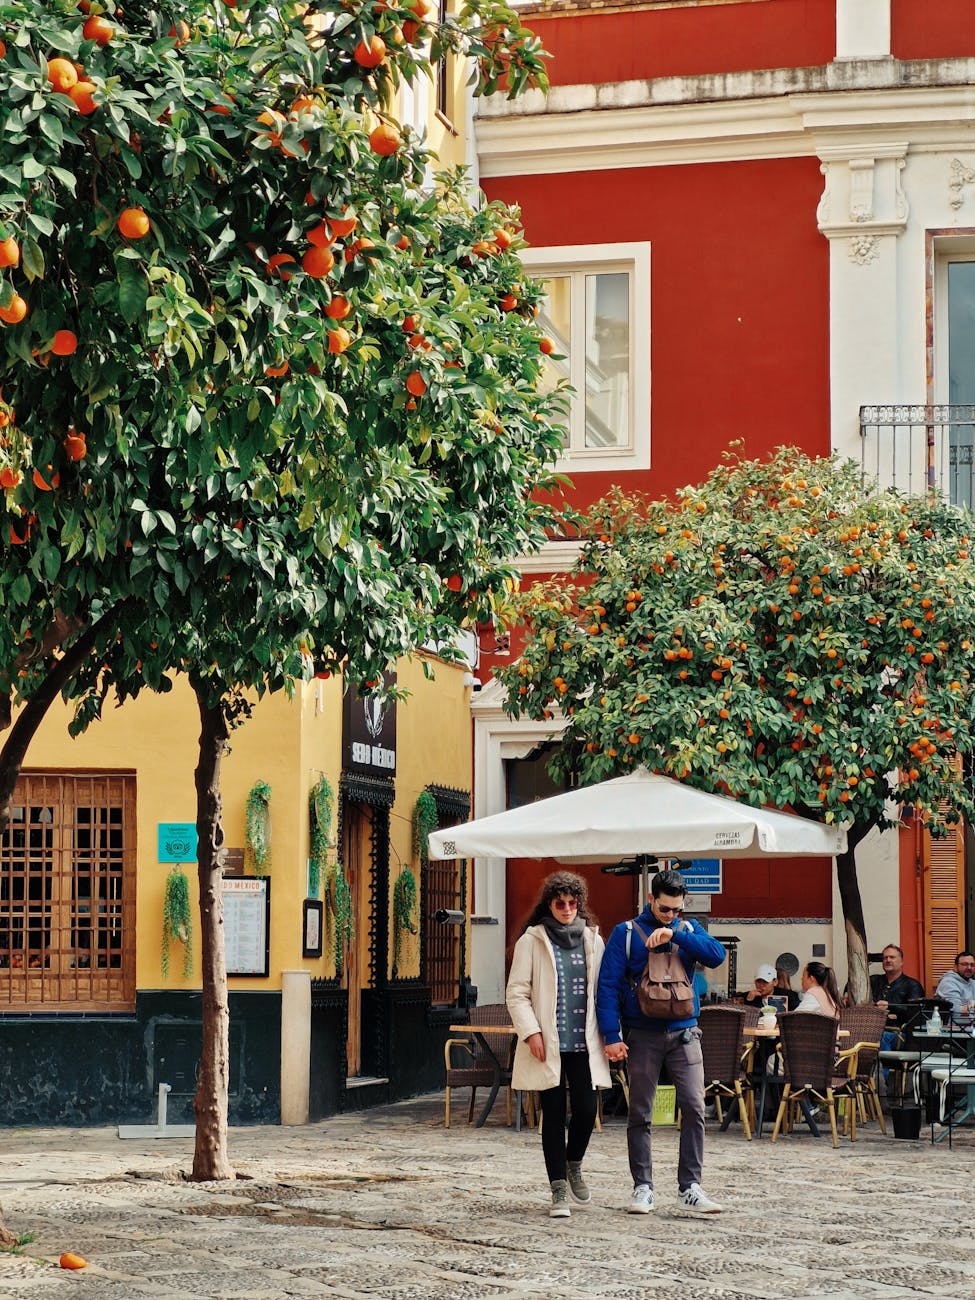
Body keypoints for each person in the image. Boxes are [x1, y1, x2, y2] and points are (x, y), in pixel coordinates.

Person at [596, 868, 726, 1216]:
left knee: (695, 1107)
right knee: (640, 1112)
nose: (670, 914)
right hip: (642, 1033)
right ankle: (643, 1187)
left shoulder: (687, 929)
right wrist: (612, 1035)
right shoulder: (625, 933)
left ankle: (691, 1187)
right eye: (665, 908)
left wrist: (677, 934)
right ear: (651, 899)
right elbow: (606, 986)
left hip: (685, 1031)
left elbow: (716, 955)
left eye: (677, 909)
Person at [506, 871, 612, 1219]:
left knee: (585, 1110)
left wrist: (613, 1035)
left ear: (579, 903)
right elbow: (517, 992)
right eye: (559, 903)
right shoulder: (532, 941)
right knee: (552, 1115)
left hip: (584, 1042)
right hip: (547, 1044)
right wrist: (531, 1032)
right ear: (549, 905)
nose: (566, 909)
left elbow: (605, 990)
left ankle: (573, 1163)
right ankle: (557, 1190)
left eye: (572, 902)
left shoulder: (594, 941)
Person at [870, 943, 925, 1048]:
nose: (888, 960)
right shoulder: (874, 980)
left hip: (901, 1033)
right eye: (885, 958)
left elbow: (916, 1013)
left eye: (892, 957)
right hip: (873, 1028)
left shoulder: (912, 985)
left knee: (881, 1037)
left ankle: (887, 1065)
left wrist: (890, 1006)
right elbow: (854, 986)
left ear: (901, 962)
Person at [935, 951, 975, 1020]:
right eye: (965, 964)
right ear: (955, 967)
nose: (969, 967)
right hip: (954, 1028)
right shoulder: (948, 983)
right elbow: (956, 1012)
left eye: (972, 965)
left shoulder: (972, 982)